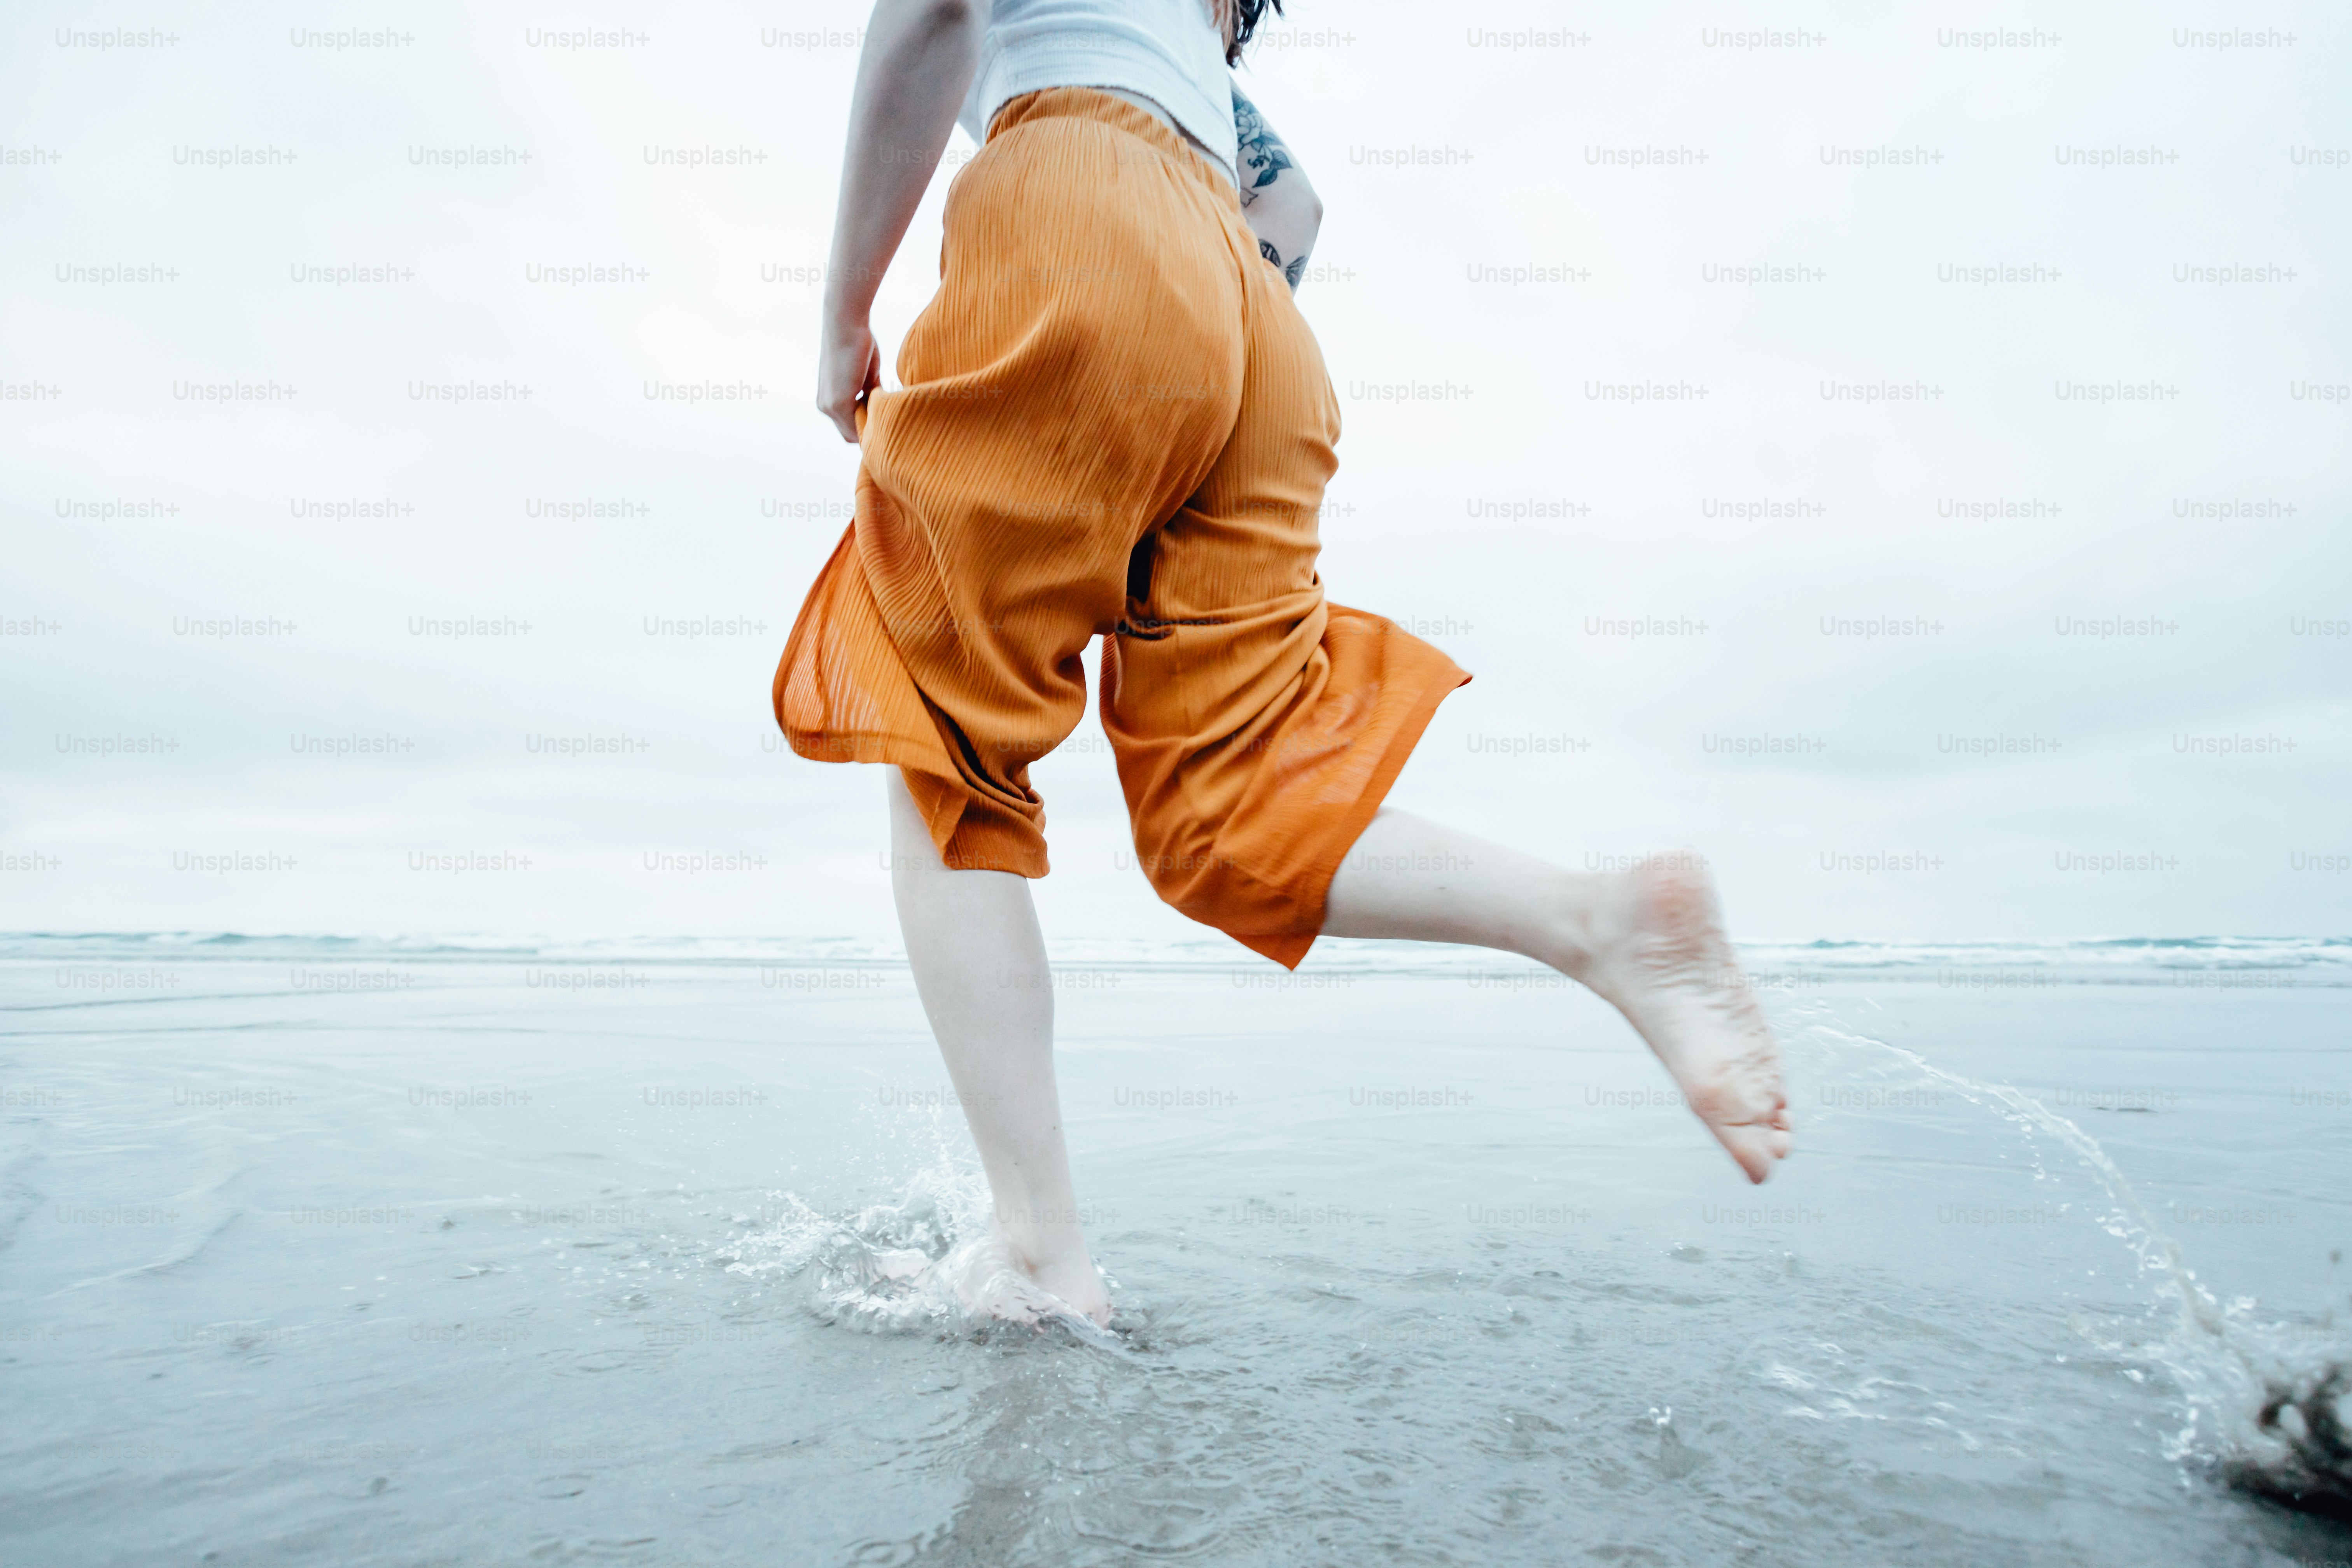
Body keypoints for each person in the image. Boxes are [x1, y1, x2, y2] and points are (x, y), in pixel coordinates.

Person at [784, 0, 1791, 1327]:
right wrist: (1176, 352)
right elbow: (1297, 207)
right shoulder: (1192, 40)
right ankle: (1600, 921)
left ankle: (1036, 1249)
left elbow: (929, 17)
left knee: (936, 736)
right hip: (1254, 317)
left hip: (1082, 207)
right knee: (1232, 798)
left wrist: (843, 315)